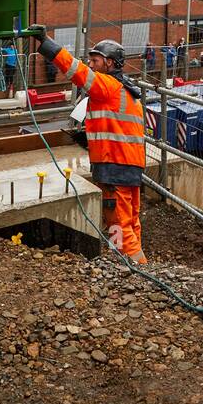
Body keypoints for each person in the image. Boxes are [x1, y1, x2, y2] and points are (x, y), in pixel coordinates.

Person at [34, 32, 147, 263]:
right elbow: (118, 127)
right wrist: (90, 138)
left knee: (118, 222)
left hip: (114, 166)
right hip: (129, 166)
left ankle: (132, 268)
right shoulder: (128, 92)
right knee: (131, 220)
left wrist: (46, 43)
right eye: (90, 60)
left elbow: (77, 71)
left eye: (95, 61)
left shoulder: (108, 85)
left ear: (110, 63)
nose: (91, 65)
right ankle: (135, 261)